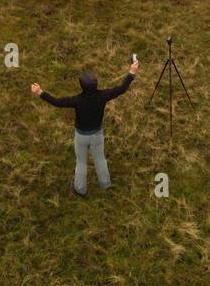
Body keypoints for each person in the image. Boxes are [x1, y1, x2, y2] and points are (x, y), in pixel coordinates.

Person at [32, 56, 139, 196]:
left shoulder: (77, 100)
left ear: (81, 86)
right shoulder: (104, 95)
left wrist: (40, 92)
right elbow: (121, 89)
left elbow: (57, 102)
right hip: (97, 135)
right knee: (100, 159)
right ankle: (105, 184)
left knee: (81, 162)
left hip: (81, 136)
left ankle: (80, 189)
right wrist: (132, 72)